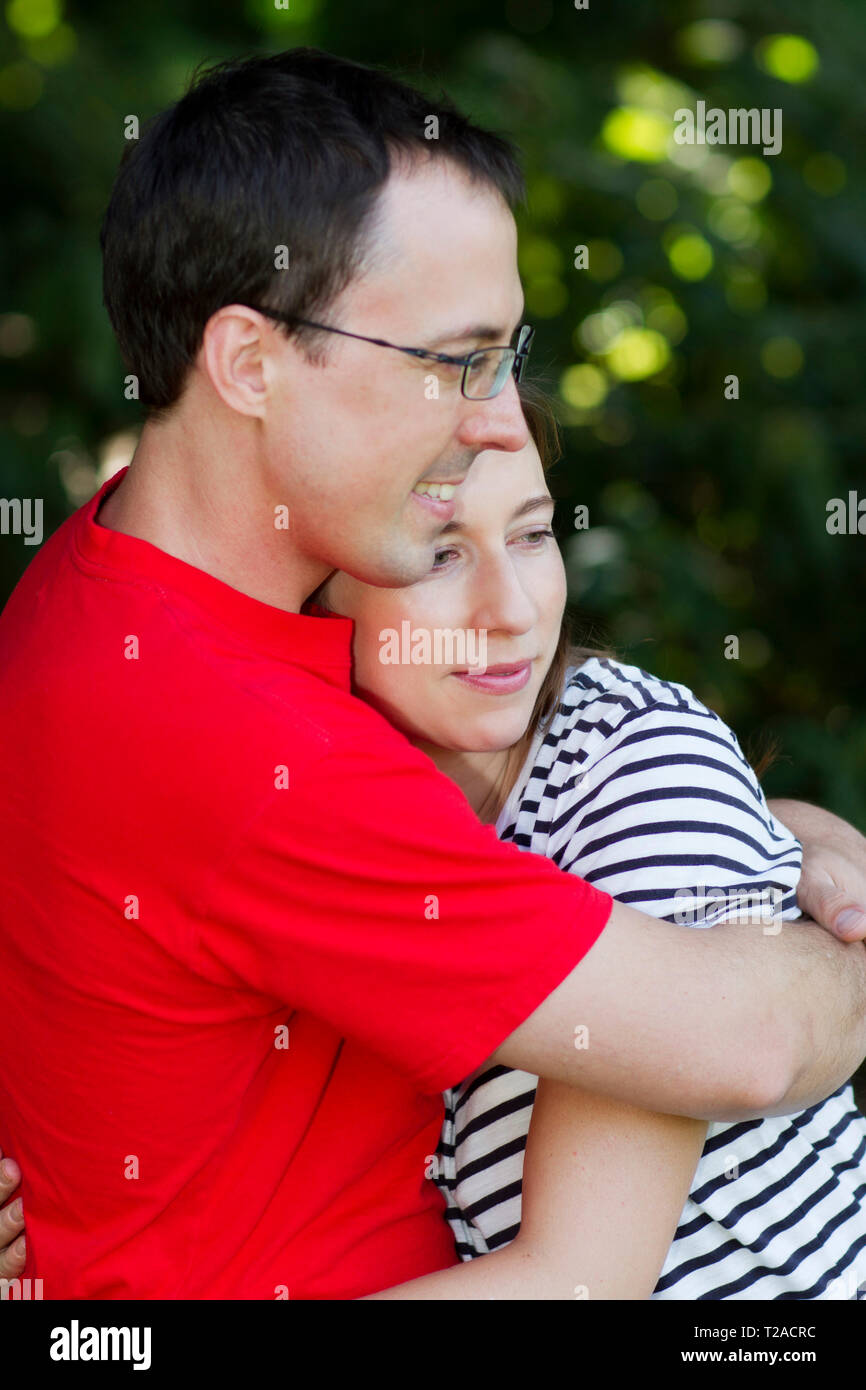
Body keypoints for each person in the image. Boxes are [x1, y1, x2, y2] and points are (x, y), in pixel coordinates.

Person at [1, 48, 865, 1301]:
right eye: (454, 359)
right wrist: (827, 927)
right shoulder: (236, 741)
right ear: (248, 363)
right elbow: (743, 1044)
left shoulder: (101, 578)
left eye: (507, 355)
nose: (495, 418)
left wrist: (767, 827)